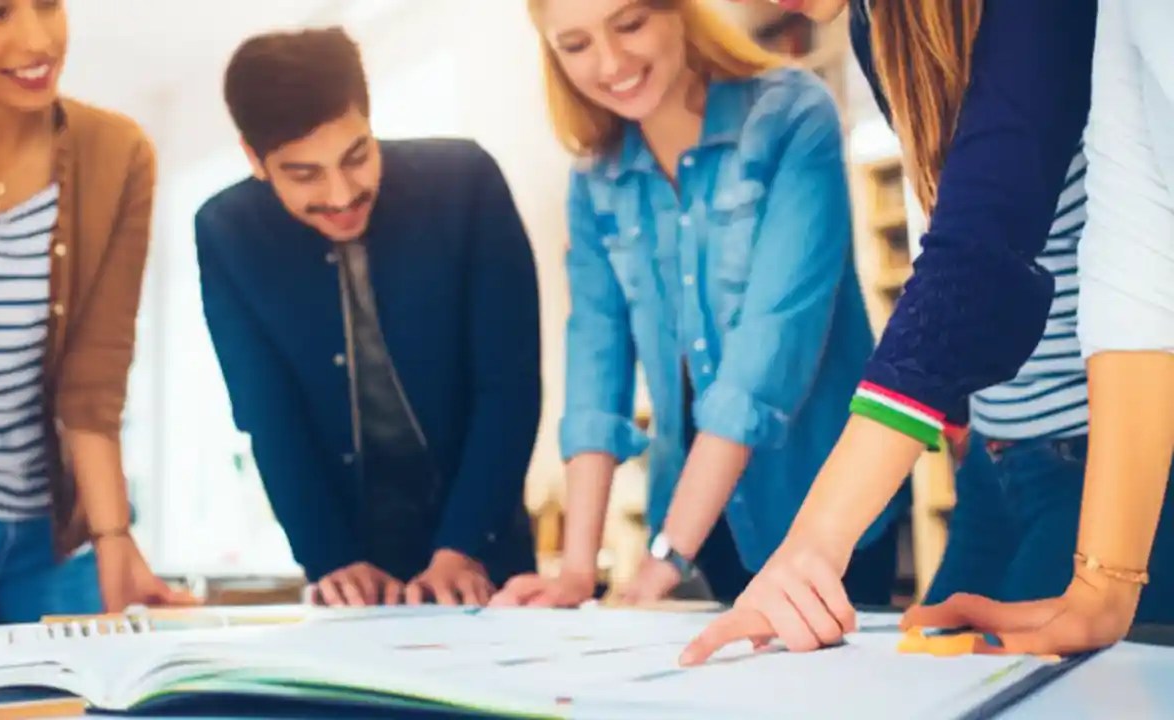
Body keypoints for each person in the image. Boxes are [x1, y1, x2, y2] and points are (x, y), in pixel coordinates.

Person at [679, 0, 1145, 664]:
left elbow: (981, 253)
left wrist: (814, 540)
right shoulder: (876, 20)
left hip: (1113, 460)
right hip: (998, 457)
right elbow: (950, 217)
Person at [492, 0, 900, 610]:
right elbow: (595, 367)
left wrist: (663, 559)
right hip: (705, 526)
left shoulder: (792, 114)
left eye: (629, 24)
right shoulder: (595, 180)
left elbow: (768, 353)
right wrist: (577, 572)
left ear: (679, 11)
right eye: (575, 45)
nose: (610, 63)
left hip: (822, 505)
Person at [196, 28, 541, 607]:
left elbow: (508, 385)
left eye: (356, 156)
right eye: (304, 174)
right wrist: (329, 557)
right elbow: (267, 412)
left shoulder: (466, 182)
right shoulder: (227, 231)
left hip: (484, 547)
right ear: (254, 159)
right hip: (350, 563)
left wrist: (462, 546)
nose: (341, 194)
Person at [0, 0, 188, 630]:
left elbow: (96, 378)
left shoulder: (120, 154)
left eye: (48, 4)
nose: (37, 39)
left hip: (53, 536)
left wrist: (116, 541)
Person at [902, 0, 1174, 656]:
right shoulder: (879, 34)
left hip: (1086, 445)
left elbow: (981, 246)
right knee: (934, 662)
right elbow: (1137, 244)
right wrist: (1102, 588)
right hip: (1004, 447)